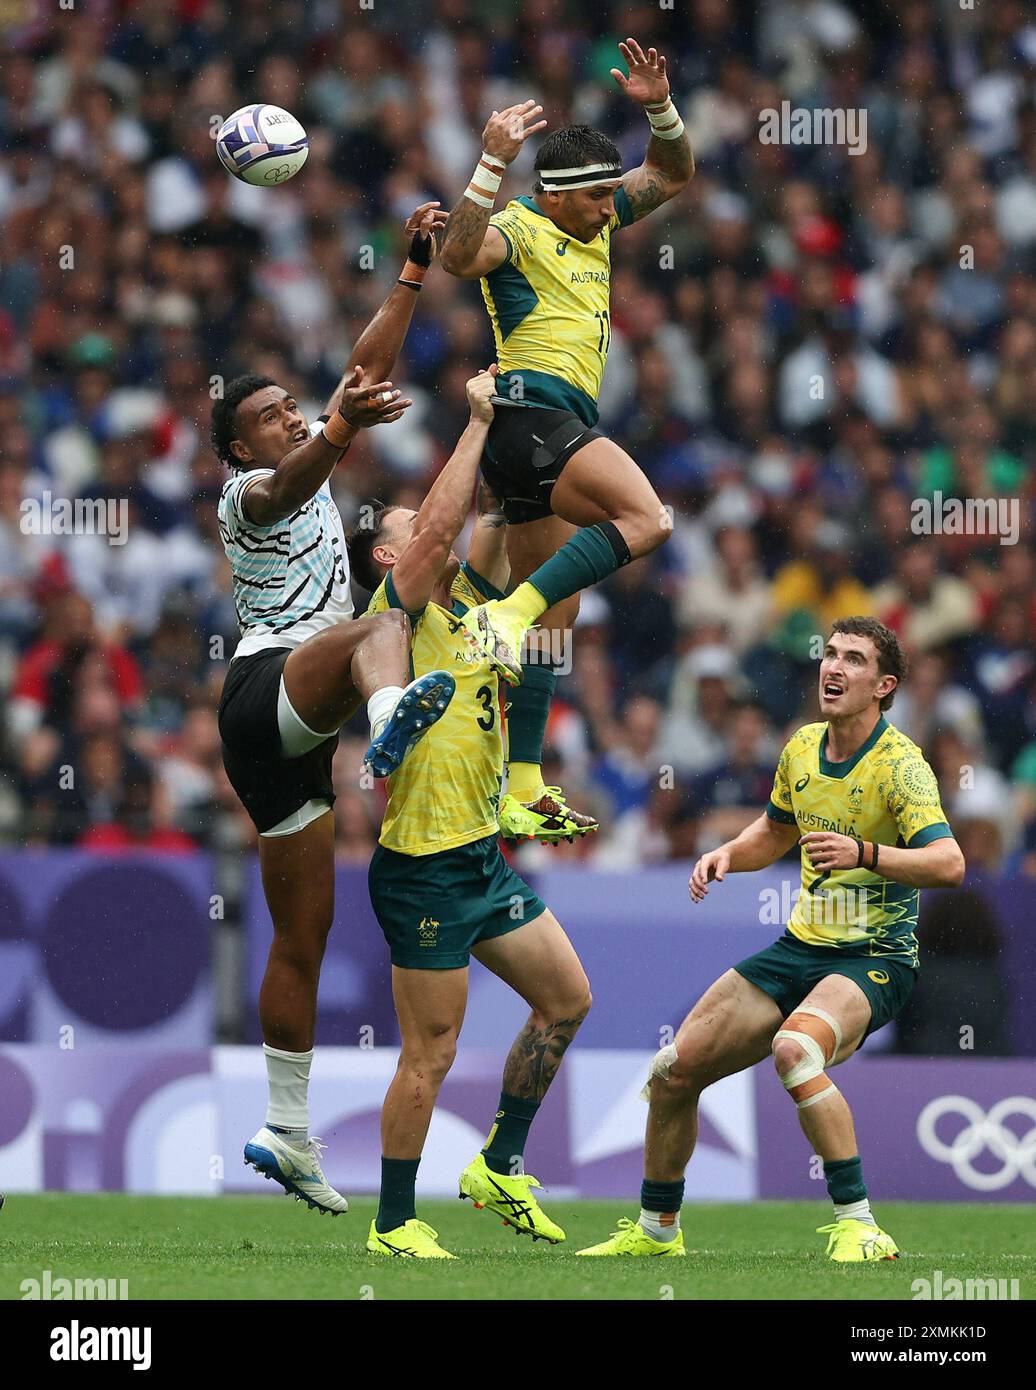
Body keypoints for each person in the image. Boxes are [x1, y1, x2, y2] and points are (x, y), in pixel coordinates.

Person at [577, 617, 965, 1262]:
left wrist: (866, 851)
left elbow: (949, 864)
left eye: (855, 661)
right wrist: (728, 853)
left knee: (796, 1051)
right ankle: (656, 1231)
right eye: (831, 654)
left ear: (884, 685)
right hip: (799, 947)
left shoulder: (904, 767)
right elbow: (775, 832)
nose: (834, 668)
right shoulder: (802, 748)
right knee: (674, 1071)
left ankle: (861, 1226)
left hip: (874, 956)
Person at [214, 205, 458, 1216]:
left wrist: (408, 271)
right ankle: (392, 719)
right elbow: (302, 470)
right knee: (378, 624)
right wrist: (340, 429)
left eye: (288, 409)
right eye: (268, 418)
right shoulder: (246, 496)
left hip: (286, 744)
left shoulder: (313, 448)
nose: (290, 421)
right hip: (269, 687)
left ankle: (285, 1127)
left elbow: (361, 370)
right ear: (237, 447)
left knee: (301, 935)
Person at [348, 367, 592, 1258]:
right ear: (386, 554)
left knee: (567, 1000)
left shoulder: (480, 607)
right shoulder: (396, 612)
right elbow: (450, 522)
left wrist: (541, 423)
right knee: (432, 1054)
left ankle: (500, 1160)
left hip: (481, 858)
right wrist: (478, 418)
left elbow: (507, 521)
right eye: (407, 526)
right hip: (422, 865)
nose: (430, 527)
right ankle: (393, 1224)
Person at [440, 37, 694, 844]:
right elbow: (454, 257)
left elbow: (674, 172)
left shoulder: (594, 217)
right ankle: (500, 615)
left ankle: (520, 783)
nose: (609, 212)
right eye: (594, 202)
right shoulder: (516, 227)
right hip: (530, 414)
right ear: (555, 196)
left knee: (559, 618)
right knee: (650, 521)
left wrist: (658, 106)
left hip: (545, 433)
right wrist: (488, 165)